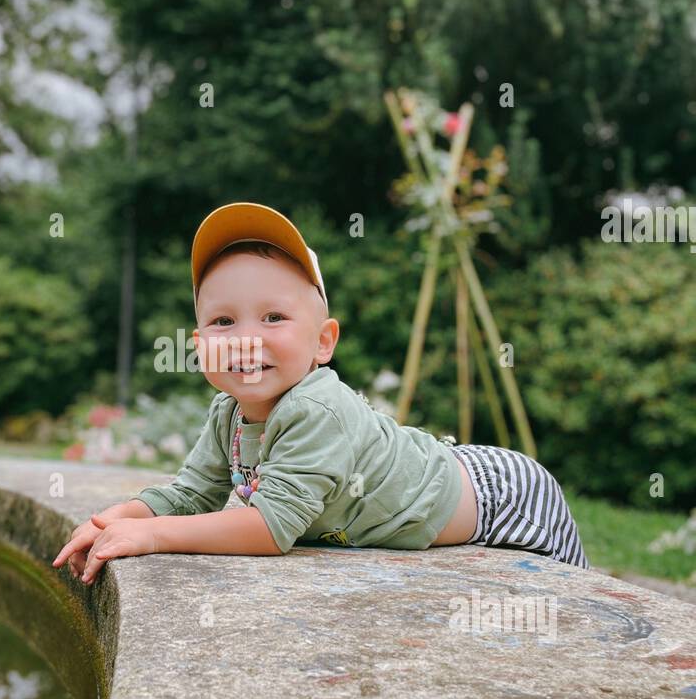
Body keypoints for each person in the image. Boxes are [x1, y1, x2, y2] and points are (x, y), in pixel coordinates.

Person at [52, 202, 588, 586]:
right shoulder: (228, 413)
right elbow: (191, 495)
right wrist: (117, 518)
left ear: (323, 341)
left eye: (273, 317)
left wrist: (154, 537)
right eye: (222, 321)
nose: (245, 338)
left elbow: (270, 527)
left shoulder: (314, 408)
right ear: (198, 345)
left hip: (506, 497)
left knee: (573, 614)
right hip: (460, 474)